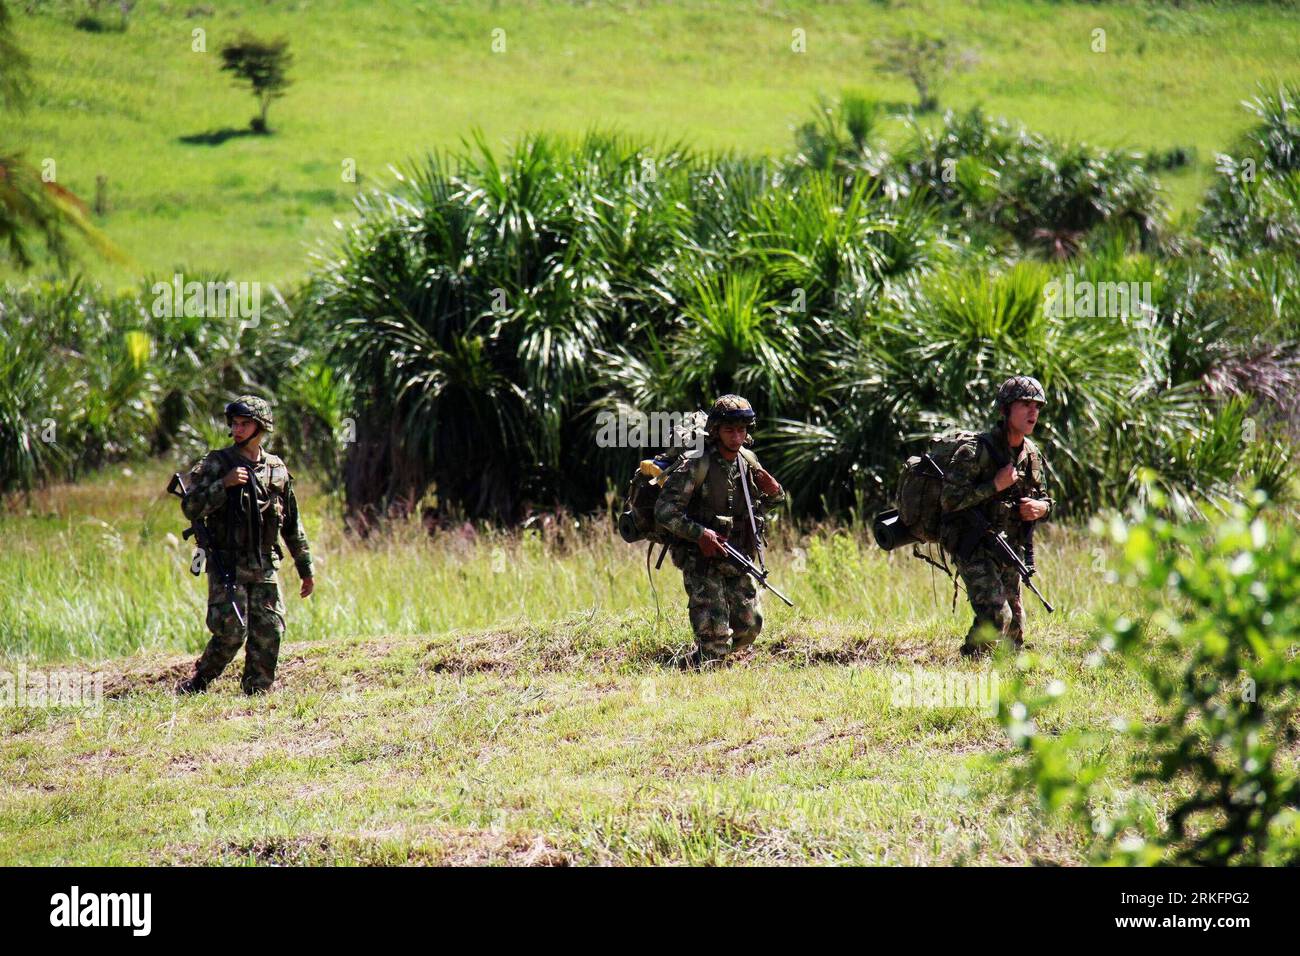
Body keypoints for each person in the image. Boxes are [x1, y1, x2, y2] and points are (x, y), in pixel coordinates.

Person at [175, 396, 315, 694]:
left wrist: (306, 568)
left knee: (269, 630)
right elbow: (190, 507)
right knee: (232, 632)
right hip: (227, 563)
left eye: (244, 424)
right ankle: (198, 682)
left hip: (264, 563)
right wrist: (222, 484)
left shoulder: (276, 469)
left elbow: (292, 523)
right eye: (234, 424)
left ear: (261, 427)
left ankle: (257, 693)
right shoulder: (217, 463)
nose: (237, 430)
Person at [654, 394, 785, 665]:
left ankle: (706, 660)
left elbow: (757, 508)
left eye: (742, 430)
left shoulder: (747, 460)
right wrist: (699, 533)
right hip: (700, 558)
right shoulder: (696, 464)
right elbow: (665, 511)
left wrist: (774, 493)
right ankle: (700, 665)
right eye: (729, 430)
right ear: (715, 430)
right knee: (714, 641)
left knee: (750, 627)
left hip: (737, 554)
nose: (736, 437)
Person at [940, 376, 1053, 657]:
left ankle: (1008, 685)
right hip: (974, 545)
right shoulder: (974, 452)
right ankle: (971, 664)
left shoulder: (1032, 455)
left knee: (1015, 627)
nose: (1033, 412)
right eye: (1025, 404)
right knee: (996, 616)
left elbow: (1045, 499)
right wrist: (994, 486)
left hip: (1008, 547)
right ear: (1004, 410)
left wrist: (1041, 509)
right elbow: (949, 501)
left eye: (1037, 406)